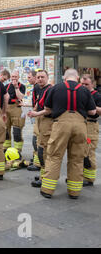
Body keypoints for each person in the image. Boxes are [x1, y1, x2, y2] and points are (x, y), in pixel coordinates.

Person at [40, 69, 96, 199]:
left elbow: (47, 109)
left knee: (54, 156)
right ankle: (74, 192)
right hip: (80, 125)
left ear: (64, 78)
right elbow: (93, 112)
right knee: (77, 159)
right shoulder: (85, 90)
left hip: (60, 125)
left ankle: (47, 190)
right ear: (77, 78)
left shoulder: (55, 88)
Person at [27, 70, 53, 188]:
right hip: (41, 120)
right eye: (38, 77)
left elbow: (49, 110)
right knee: (40, 148)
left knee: (45, 150)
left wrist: (35, 114)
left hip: (47, 122)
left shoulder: (50, 90)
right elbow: (39, 103)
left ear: (48, 77)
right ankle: (44, 174)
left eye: (42, 77)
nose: (40, 79)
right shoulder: (41, 89)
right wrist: (34, 111)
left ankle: (46, 177)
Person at [81, 74, 101, 186]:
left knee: (89, 152)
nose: (84, 86)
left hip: (91, 127)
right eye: (82, 84)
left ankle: (89, 179)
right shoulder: (80, 93)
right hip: (81, 124)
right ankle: (81, 176)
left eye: (86, 84)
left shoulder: (97, 96)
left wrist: (91, 106)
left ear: (92, 84)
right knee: (80, 151)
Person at [3, 70, 26, 153]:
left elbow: (20, 97)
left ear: (18, 77)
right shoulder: (6, 86)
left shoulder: (22, 86)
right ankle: (6, 149)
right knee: (5, 130)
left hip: (16, 108)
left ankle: (17, 151)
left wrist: (16, 86)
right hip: (6, 108)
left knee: (17, 131)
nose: (14, 78)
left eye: (15, 77)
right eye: (12, 77)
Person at [27, 70, 42, 171]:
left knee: (36, 139)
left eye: (29, 77)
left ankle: (38, 163)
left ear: (34, 77)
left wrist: (34, 111)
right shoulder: (36, 87)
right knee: (36, 139)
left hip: (39, 115)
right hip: (38, 114)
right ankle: (36, 159)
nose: (28, 79)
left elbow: (38, 100)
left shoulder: (37, 87)